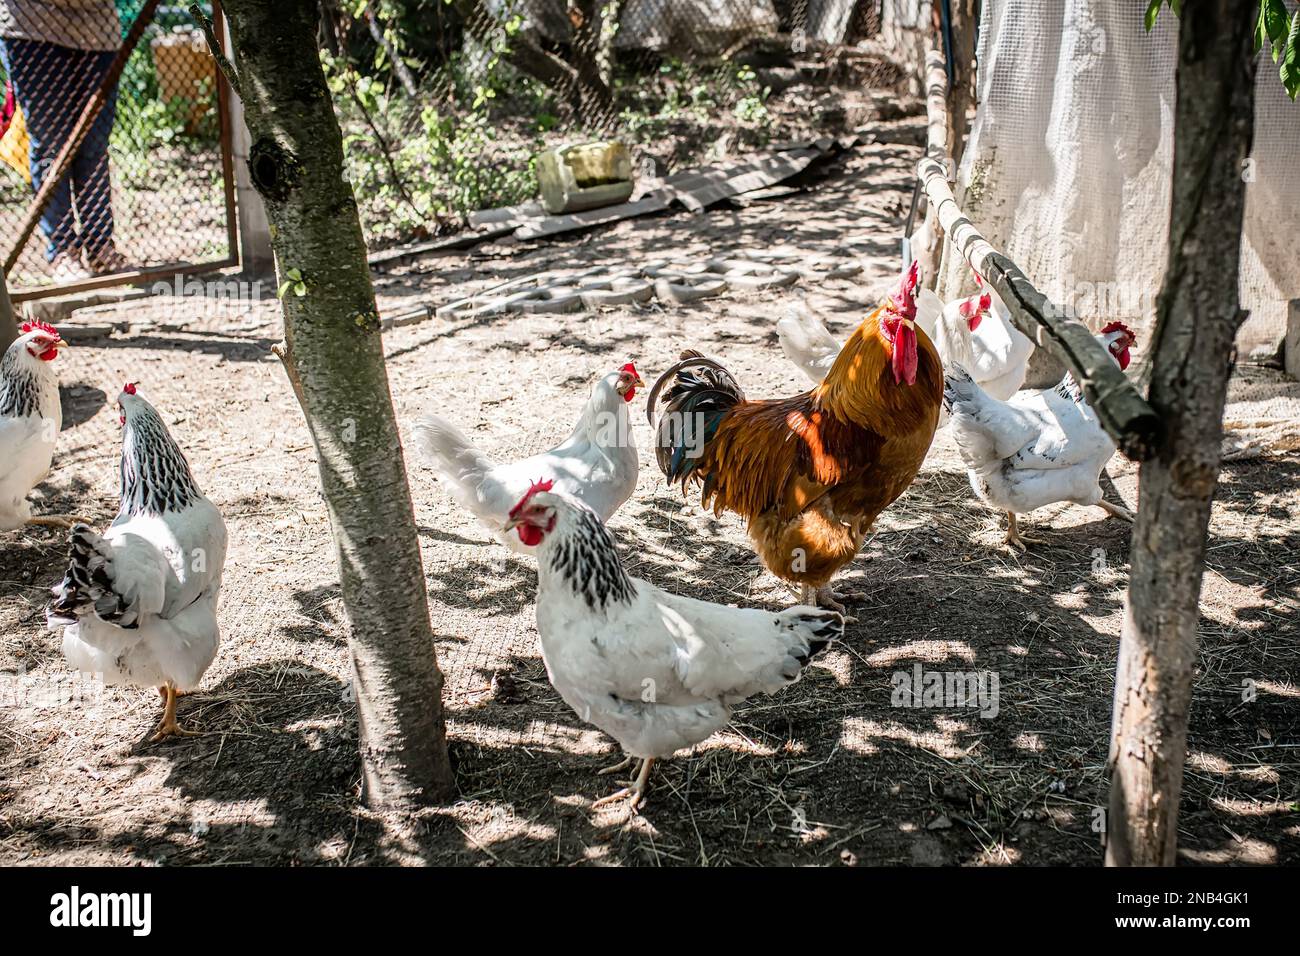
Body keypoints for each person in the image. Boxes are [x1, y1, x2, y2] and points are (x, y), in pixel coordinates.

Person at [0, 0, 126, 280]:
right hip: (32, 28)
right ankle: (62, 252)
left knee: (94, 146)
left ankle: (100, 246)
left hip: (98, 30)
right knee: (50, 145)